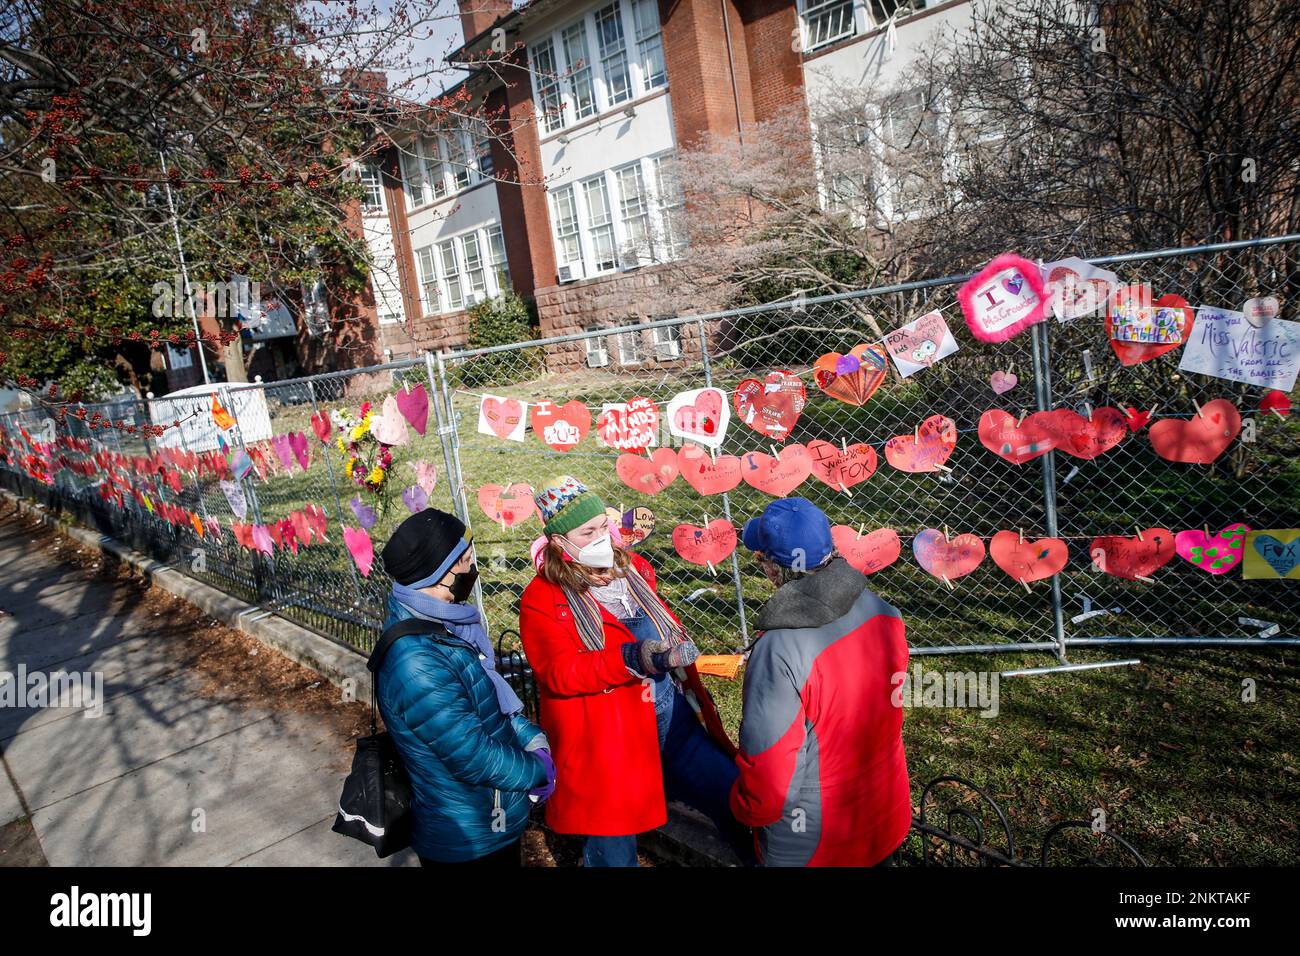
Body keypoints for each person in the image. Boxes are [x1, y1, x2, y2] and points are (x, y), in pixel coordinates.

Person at [519, 475, 747, 867]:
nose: (601, 538)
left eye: (602, 527)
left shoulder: (634, 570)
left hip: (674, 723)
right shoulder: (542, 599)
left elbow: (660, 628)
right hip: (612, 742)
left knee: (737, 799)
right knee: (614, 853)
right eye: (586, 532)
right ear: (559, 542)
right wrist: (630, 658)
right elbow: (559, 672)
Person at [732, 497, 911, 867]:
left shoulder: (779, 649)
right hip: (884, 813)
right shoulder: (885, 613)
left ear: (770, 567)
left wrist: (739, 805)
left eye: (759, 558)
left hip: (816, 842)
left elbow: (769, 781)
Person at [377, 507, 555, 867]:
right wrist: (534, 771)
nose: (473, 569)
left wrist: (532, 738)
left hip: (490, 818)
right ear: (439, 572)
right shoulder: (415, 662)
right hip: (467, 837)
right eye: (467, 561)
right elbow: (471, 755)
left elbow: (488, 704)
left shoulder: (446, 626)